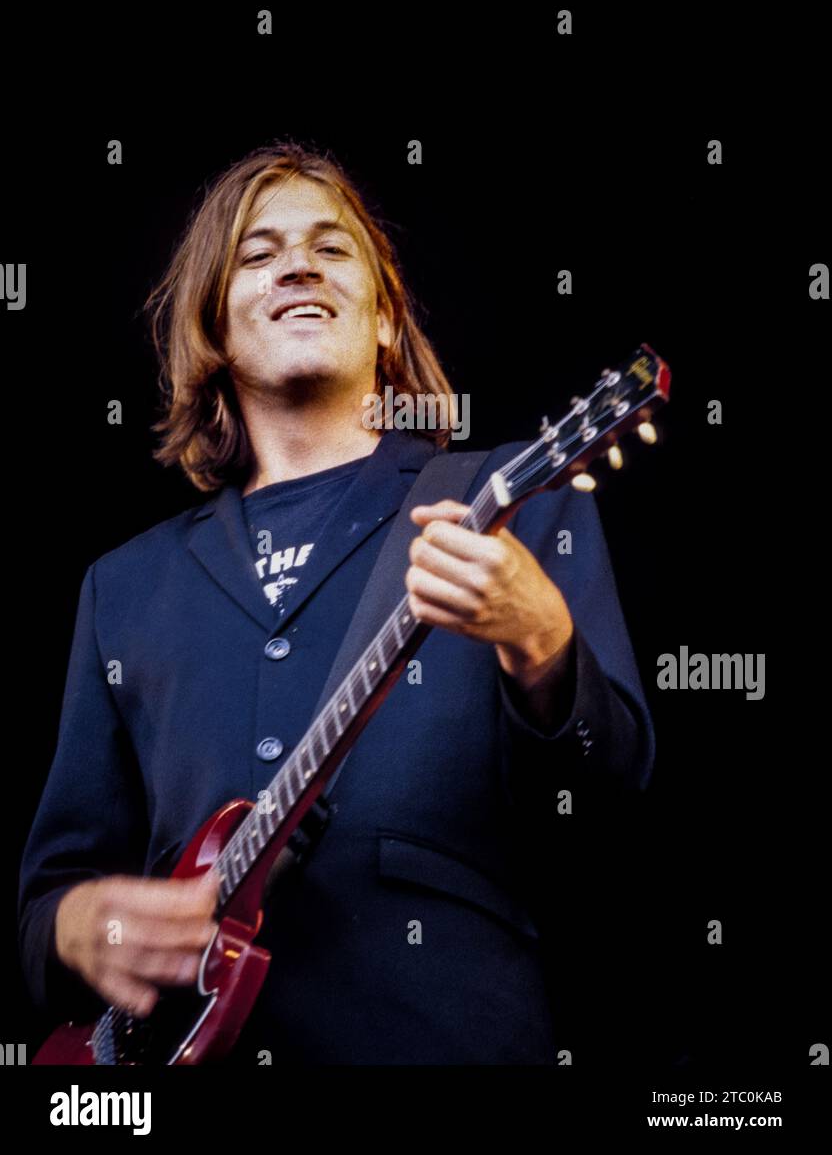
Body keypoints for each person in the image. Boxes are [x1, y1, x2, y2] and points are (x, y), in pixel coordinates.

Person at [18, 140, 655, 1065]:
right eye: (258, 252)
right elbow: (49, 896)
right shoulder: (123, 586)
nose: (298, 265)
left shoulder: (512, 508)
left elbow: (616, 817)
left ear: (387, 320)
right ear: (214, 328)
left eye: (331, 246)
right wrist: (80, 926)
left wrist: (543, 641)